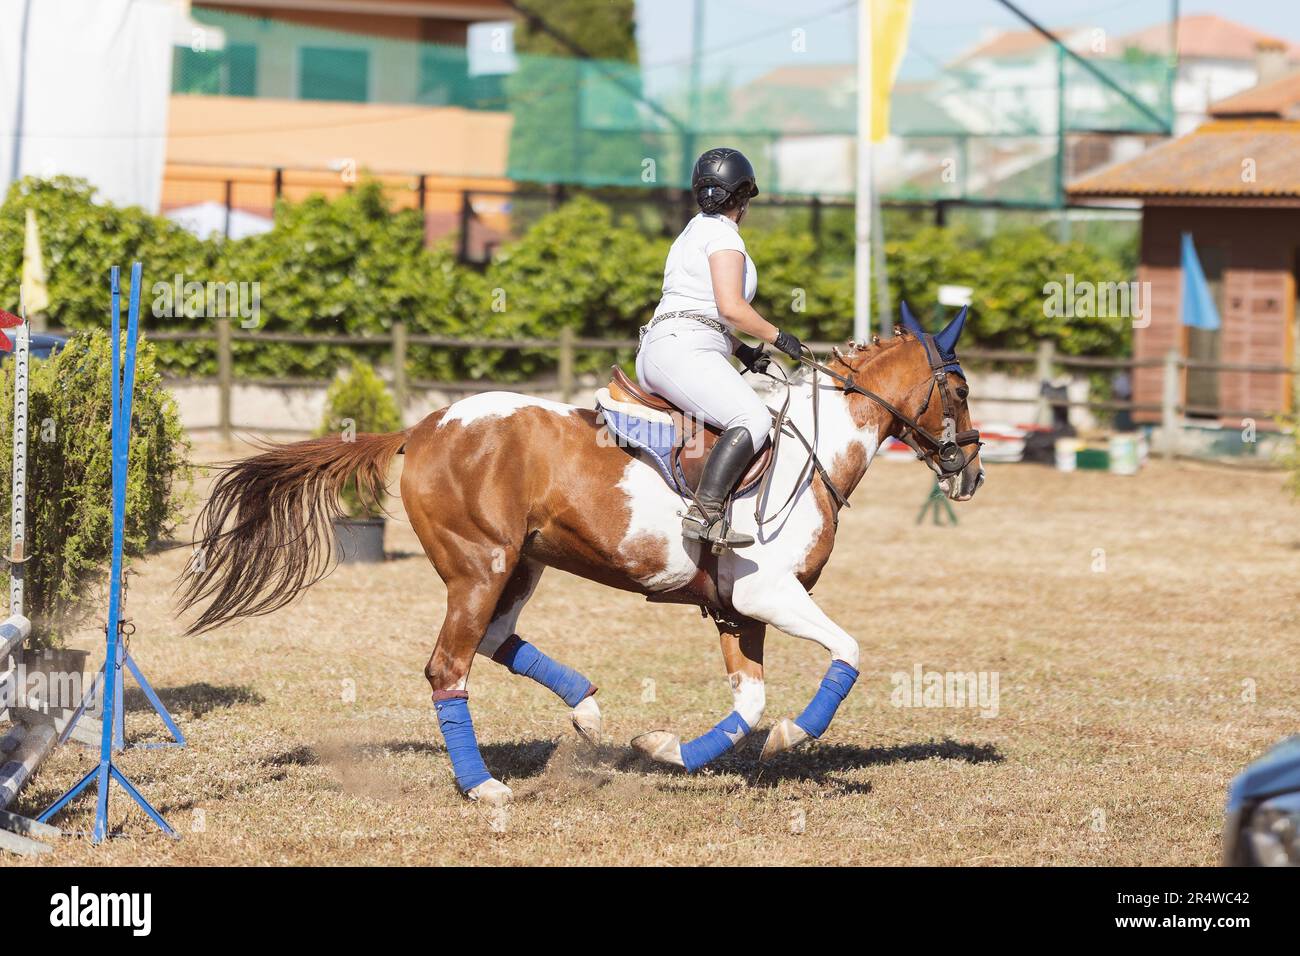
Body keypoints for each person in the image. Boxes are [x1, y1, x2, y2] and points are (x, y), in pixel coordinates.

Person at [635, 147, 803, 550]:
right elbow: (731, 308)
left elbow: (700, 312)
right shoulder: (723, 237)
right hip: (682, 351)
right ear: (744, 197)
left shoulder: (693, 231)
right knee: (753, 418)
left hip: (671, 346)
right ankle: (705, 513)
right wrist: (778, 337)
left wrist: (741, 351)